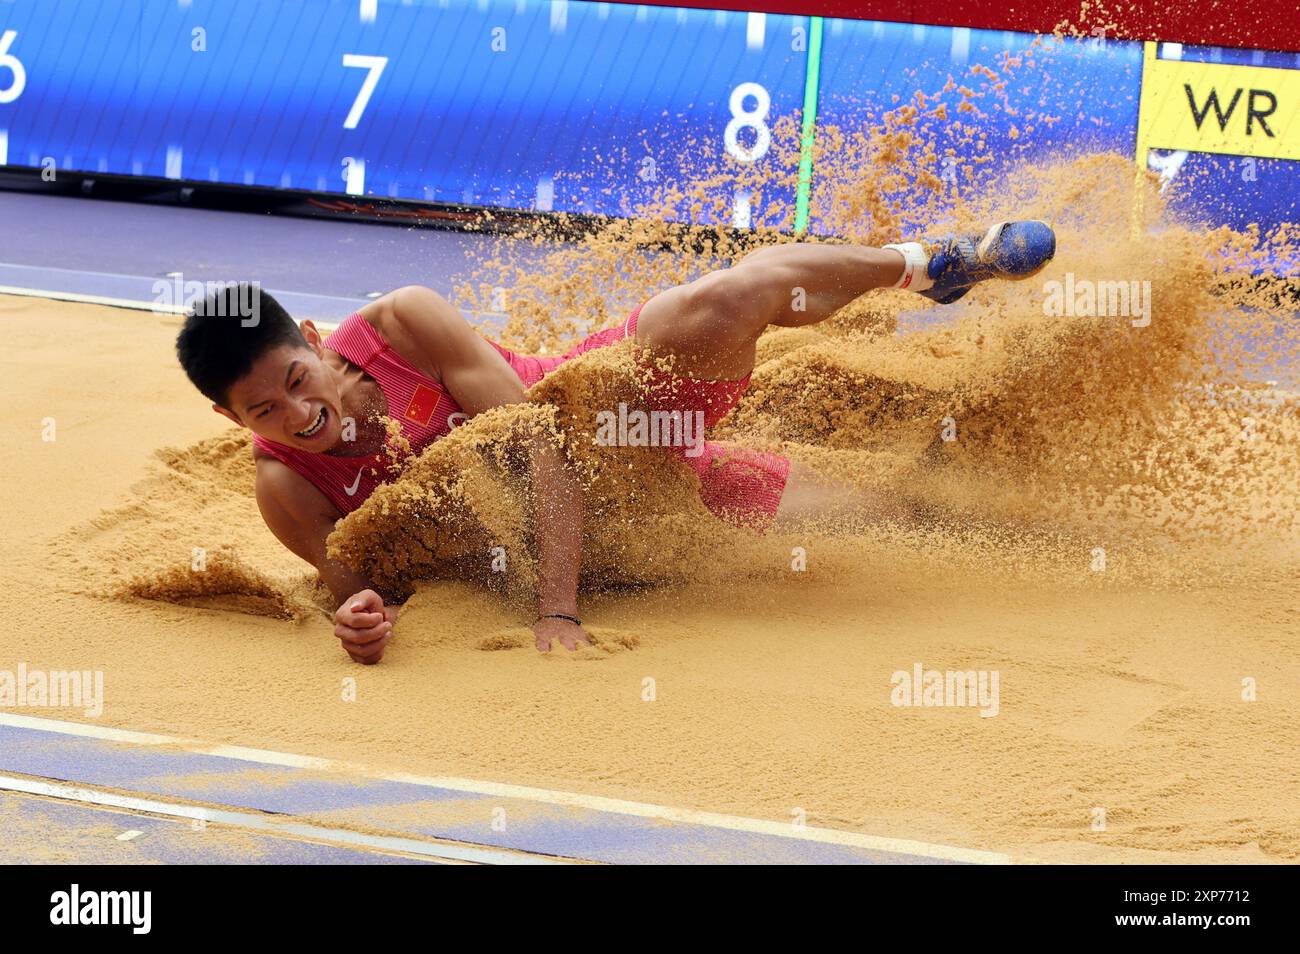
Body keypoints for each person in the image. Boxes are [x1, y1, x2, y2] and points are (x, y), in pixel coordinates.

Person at [175, 221, 1056, 663]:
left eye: (297, 382)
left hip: (609, 429)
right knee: (901, 515)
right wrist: (362, 624)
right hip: (646, 530)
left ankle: (926, 263)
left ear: (319, 343)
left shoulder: (405, 324)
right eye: (265, 412)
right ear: (234, 422)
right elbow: (363, 593)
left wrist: (556, 611)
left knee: (720, 301)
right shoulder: (284, 491)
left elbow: (545, 444)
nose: (299, 418)